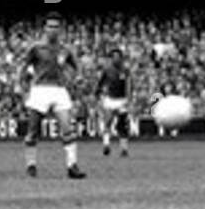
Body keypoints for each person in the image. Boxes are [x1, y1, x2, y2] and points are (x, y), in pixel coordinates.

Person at [21, 11, 85, 179]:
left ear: (60, 29)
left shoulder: (65, 49)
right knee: (33, 131)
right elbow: (23, 68)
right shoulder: (35, 48)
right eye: (50, 26)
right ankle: (31, 164)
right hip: (39, 90)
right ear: (45, 28)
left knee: (67, 129)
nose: (53, 29)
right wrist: (23, 89)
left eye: (56, 26)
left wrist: (78, 77)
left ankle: (72, 166)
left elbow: (76, 66)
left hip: (59, 90)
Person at [96, 48, 132, 157]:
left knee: (123, 124)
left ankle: (124, 149)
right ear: (111, 59)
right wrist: (98, 93)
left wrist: (128, 98)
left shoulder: (125, 70)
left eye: (118, 57)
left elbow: (129, 84)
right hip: (110, 99)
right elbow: (100, 83)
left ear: (121, 58)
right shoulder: (107, 70)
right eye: (114, 57)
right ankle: (106, 145)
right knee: (108, 121)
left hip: (122, 100)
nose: (116, 59)